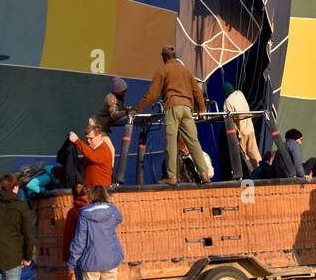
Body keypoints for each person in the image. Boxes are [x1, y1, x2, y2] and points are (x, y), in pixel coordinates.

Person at [130, 46, 209, 184]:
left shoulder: (163, 70)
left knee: (171, 142)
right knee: (193, 142)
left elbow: (152, 95)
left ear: (165, 57)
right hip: (187, 109)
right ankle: (204, 174)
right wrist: (201, 108)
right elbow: (197, 90)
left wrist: (136, 109)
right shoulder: (186, 70)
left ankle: (171, 176)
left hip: (173, 106)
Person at [62, 183, 103, 280]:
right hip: (97, 256)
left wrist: (68, 260)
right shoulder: (96, 211)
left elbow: (69, 238)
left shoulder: (74, 213)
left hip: (80, 258)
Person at [222, 82, 262, 172]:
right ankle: (261, 171)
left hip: (241, 133)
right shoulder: (240, 94)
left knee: (246, 156)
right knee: (255, 153)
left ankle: (252, 174)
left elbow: (229, 121)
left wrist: (235, 137)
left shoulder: (228, 102)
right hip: (250, 129)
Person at [68, 118, 115, 189]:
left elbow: (92, 156)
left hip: (100, 194)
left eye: (91, 138)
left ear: (99, 136)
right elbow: (84, 160)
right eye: (87, 138)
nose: (88, 141)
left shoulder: (104, 150)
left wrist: (76, 141)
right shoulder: (94, 151)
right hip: (90, 192)